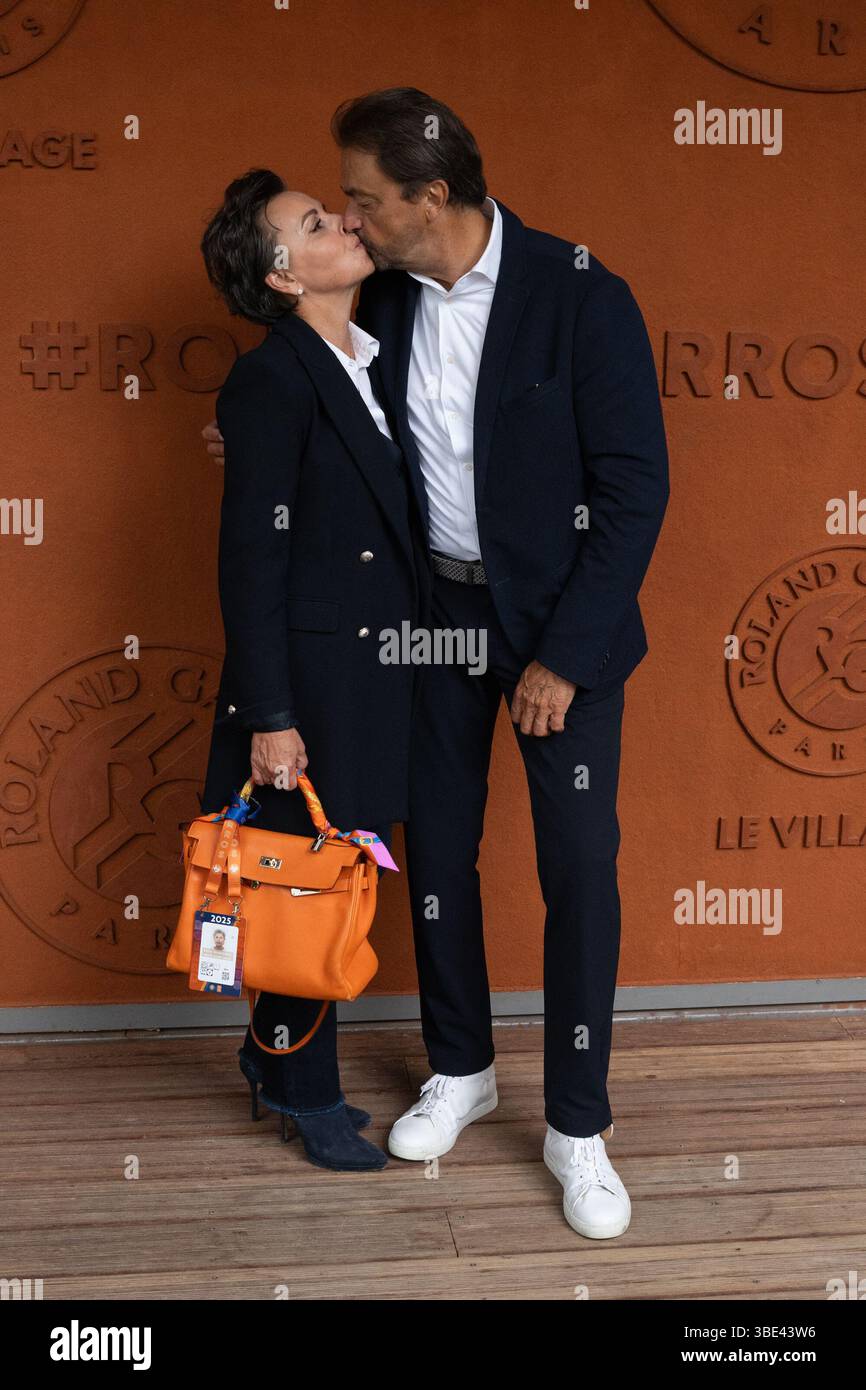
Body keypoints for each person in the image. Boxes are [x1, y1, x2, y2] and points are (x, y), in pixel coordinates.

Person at [203, 90, 670, 1238]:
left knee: (575, 870)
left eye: (361, 200)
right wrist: (254, 433)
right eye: (333, 210)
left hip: (561, 633)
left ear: (431, 197)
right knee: (435, 853)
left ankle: (576, 1123)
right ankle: (462, 1069)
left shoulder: (581, 296)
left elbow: (632, 493)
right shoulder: (385, 308)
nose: (352, 222)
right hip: (434, 628)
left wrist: (559, 657)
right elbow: (325, 411)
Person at [199, 166, 430, 1172]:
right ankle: (307, 1093)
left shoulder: (371, 360)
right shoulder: (271, 376)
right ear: (284, 276)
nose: (340, 220)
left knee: (329, 882)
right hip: (305, 689)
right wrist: (269, 714)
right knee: (300, 890)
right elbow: (250, 558)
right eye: (311, 221)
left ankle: (269, 1062)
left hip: (375, 680)